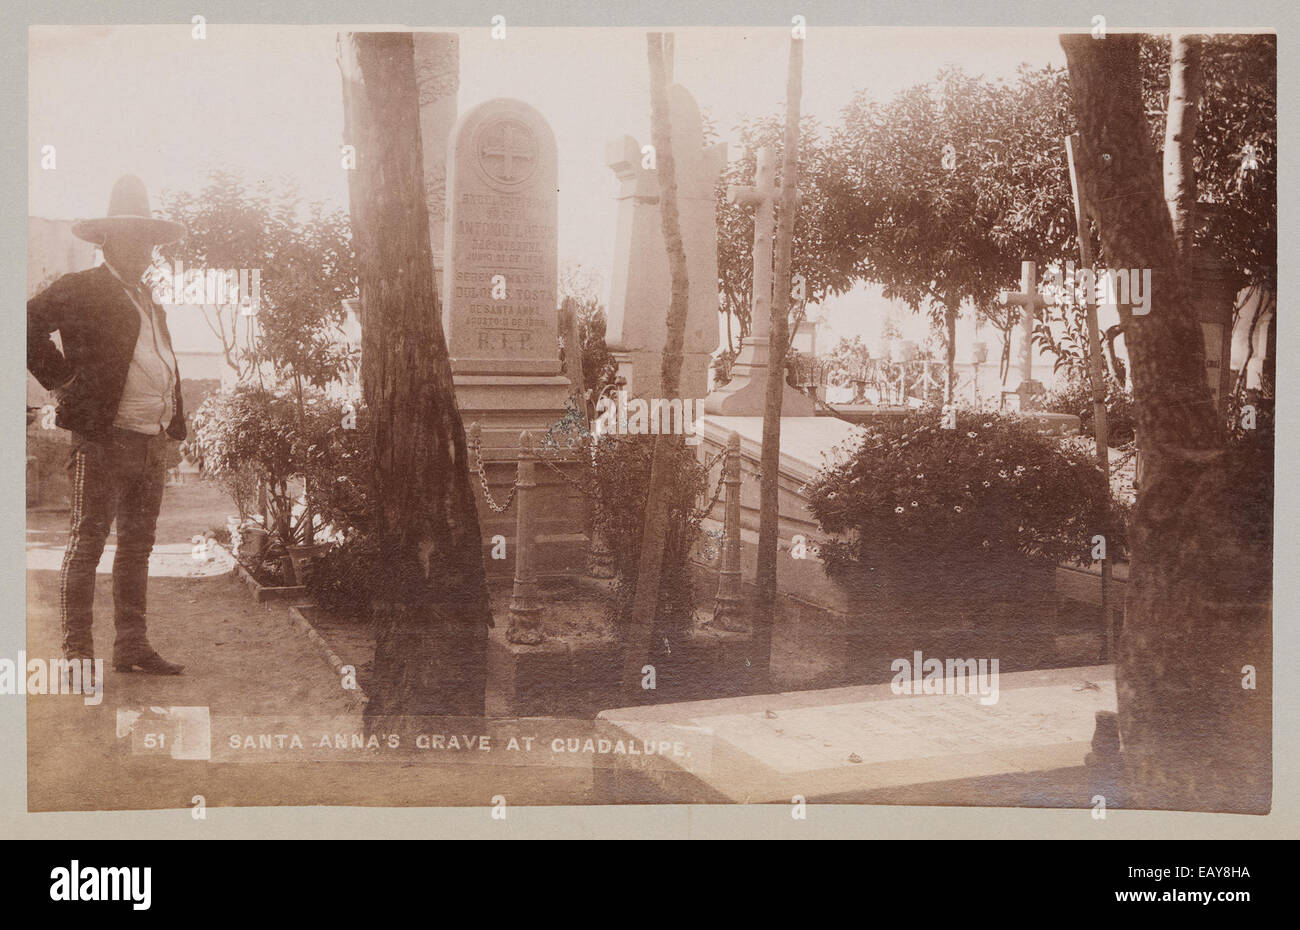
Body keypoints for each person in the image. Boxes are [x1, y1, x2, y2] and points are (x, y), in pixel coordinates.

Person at [27, 175, 188, 674]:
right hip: (103, 441)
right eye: (134, 239)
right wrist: (61, 380)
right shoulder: (82, 289)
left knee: (138, 547)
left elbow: (153, 359)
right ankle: (77, 653)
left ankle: (132, 646)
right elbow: (23, 323)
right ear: (108, 241)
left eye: (150, 241)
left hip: (151, 442)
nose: (145, 250)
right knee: (87, 543)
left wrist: (171, 423)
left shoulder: (148, 299)